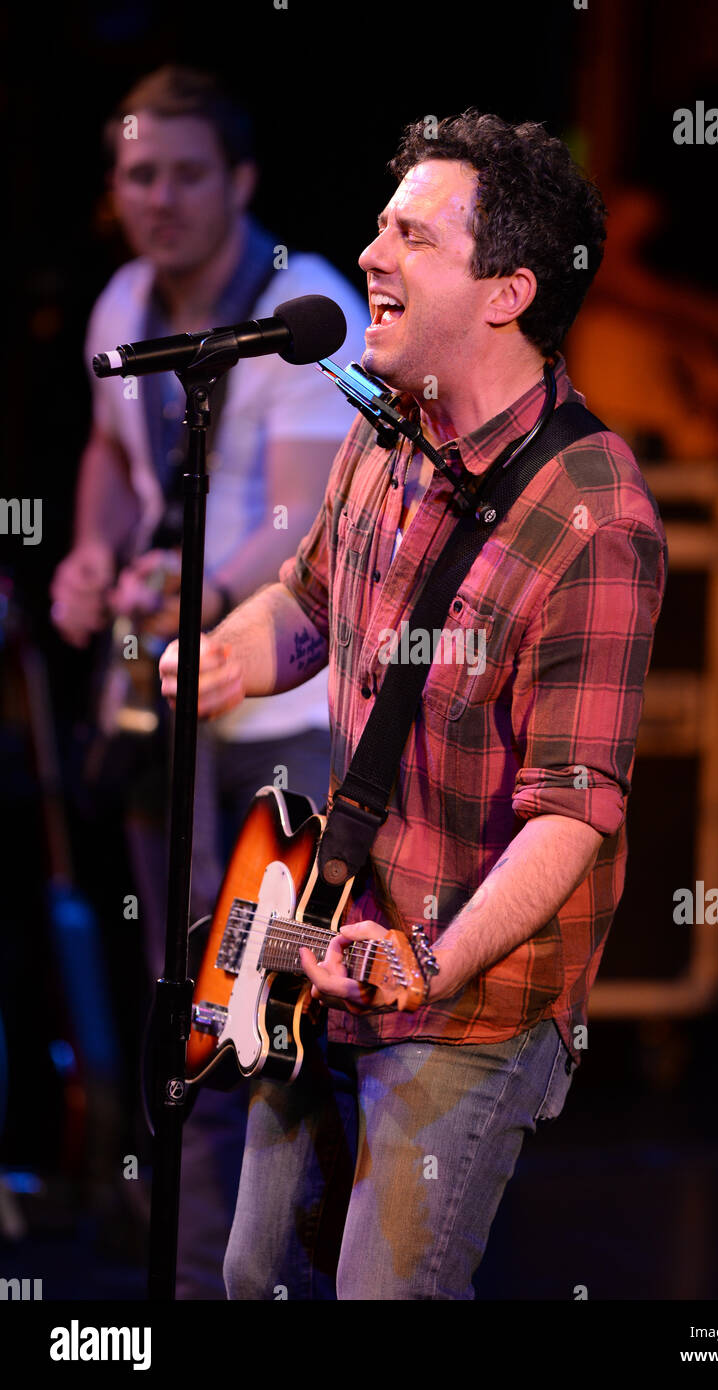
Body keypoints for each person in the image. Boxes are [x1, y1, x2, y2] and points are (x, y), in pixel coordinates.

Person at [161, 110, 668, 1300]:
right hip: (326, 932)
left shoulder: (595, 518)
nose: (371, 256)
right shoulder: (385, 432)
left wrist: (428, 962)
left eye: (409, 236)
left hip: (471, 994)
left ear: (506, 292)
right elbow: (307, 599)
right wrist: (227, 656)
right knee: (254, 1278)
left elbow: (573, 811)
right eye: (380, 226)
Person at [49, 66, 368, 1297]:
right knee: (177, 1010)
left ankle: (261, 1278)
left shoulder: (305, 305)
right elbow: (112, 455)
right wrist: (93, 551)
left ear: (239, 182)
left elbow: (301, 522)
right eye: (139, 174)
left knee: (271, 1031)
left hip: (277, 723)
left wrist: (172, 571)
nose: (161, 199)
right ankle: (181, 1272)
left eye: (187, 173)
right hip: (162, 706)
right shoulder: (124, 300)